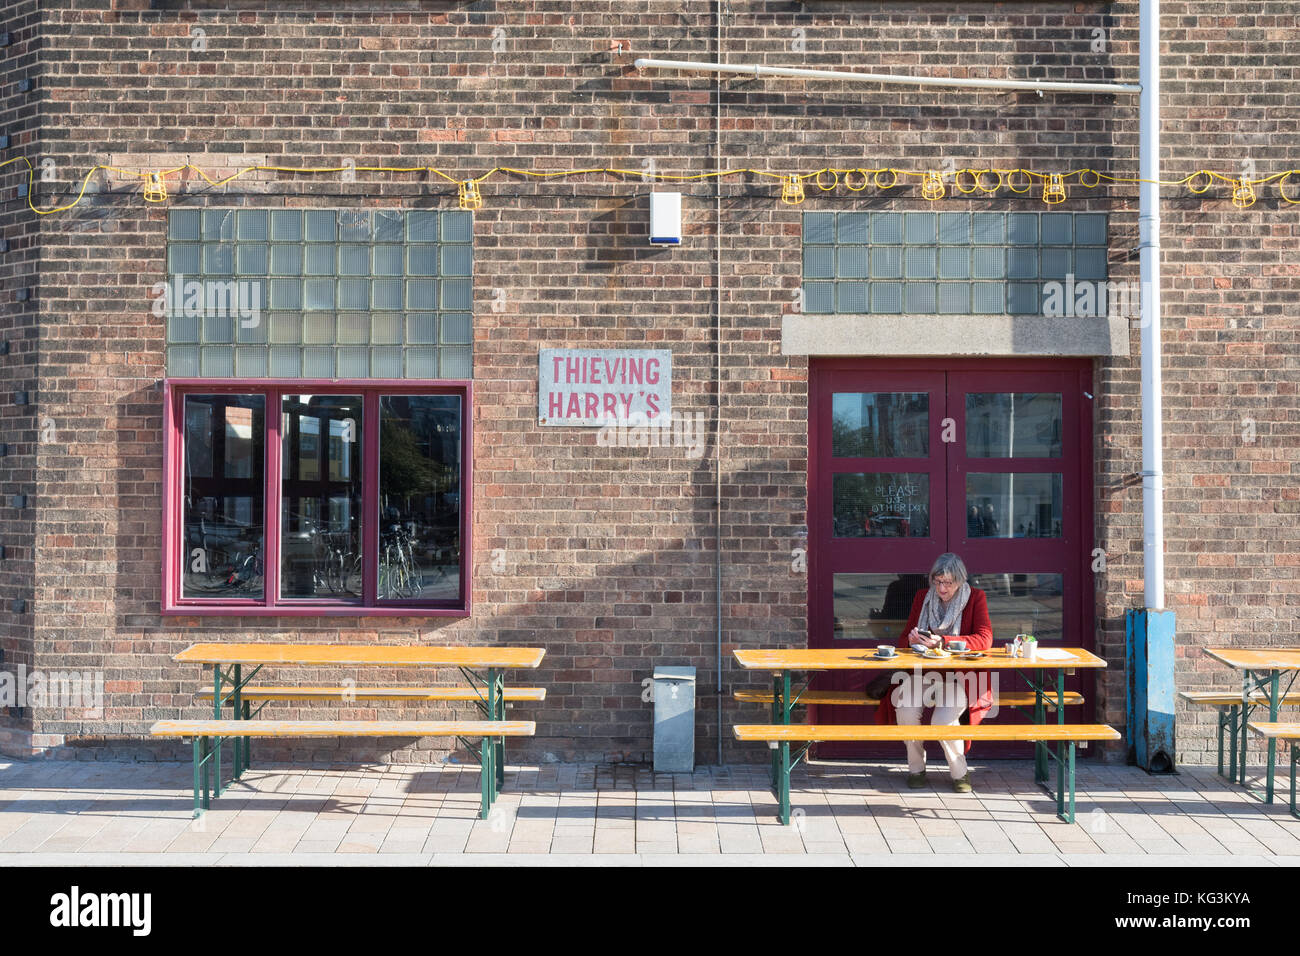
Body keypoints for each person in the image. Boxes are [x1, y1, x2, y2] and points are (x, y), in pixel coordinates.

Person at [874, 553, 994, 793]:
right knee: (905, 710)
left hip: (959, 676)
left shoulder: (975, 597)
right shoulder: (922, 597)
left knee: (943, 720)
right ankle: (916, 768)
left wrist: (944, 642)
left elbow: (985, 638)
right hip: (923, 673)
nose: (941, 588)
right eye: (938, 582)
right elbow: (904, 639)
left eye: (948, 583)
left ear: (960, 580)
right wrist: (911, 640)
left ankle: (960, 773)